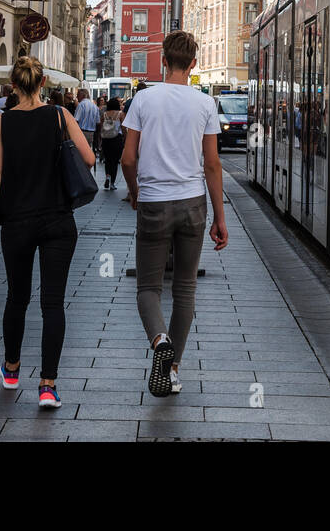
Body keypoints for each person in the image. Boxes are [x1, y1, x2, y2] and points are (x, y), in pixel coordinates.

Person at [0, 55, 94, 410]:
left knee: (17, 297)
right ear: (43, 84)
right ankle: (47, 385)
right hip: (58, 221)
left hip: (17, 221)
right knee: (53, 303)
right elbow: (89, 159)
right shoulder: (60, 115)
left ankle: (11, 369)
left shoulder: (2, 121)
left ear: (12, 86)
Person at [121, 32, 227, 398]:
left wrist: (135, 193)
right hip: (193, 203)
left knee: (148, 289)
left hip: (153, 201)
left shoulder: (143, 100)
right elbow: (212, 165)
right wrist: (220, 218)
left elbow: (127, 158)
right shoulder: (205, 104)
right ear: (194, 64)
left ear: (163, 61)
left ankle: (159, 340)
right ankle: (174, 367)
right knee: (185, 289)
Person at [98, 96, 125, 190]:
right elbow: (123, 128)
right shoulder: (120, 114)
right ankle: (112, 183)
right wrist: (125, 138)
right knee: (114, 161)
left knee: (108, 160)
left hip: (106, 140)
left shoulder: (104, 114)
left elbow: (101, 128)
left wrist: (100, 140)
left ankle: (108, 176)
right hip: (117, 139)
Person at [73, 87, 100, 155]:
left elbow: (76, 120)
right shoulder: (95, 107)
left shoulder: (81, 105)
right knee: (87, 152)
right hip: (91, 134)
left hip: (81, 132)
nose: (77, 97)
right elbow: (98, 122)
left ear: (82, 95)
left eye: (78, 95)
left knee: (80, 153)